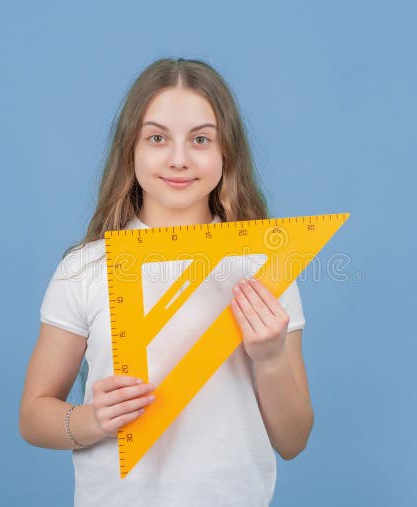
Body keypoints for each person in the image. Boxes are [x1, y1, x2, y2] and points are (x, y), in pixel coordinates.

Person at [19, 57, 313, 506]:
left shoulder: (263, 267)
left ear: (226, 153)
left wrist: (271, 359)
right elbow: (33, 415)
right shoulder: (85, 268)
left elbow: (293, 441)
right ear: (130, 151)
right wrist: (91, 420)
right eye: (157, 138)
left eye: (200, 139)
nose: (179, 158)